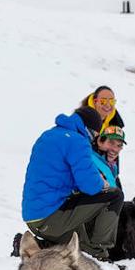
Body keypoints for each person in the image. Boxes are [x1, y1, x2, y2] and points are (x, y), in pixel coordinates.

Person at [21, 105, 122, 261]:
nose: (94, 138)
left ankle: (40, 246)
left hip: (33, 216)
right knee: (114, 196)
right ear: (89, 129)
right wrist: (103, 184)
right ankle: (99, 253)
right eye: (95, 133)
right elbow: (91, 186)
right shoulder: (77, 141)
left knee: (79, 244)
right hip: (51, 216)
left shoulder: (48, 135)